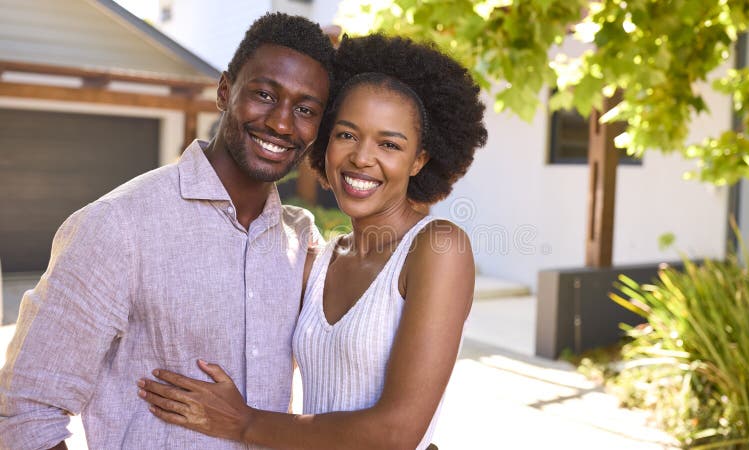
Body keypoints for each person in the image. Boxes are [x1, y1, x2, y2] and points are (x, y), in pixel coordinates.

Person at [0, 13, 335, 449]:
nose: (282, 123)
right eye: (265, 94)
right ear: (224, 91)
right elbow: (25, 411)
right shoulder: (118, 226)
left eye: (305, 109)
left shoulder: (301, 242)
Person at [137, 34, 488, 449]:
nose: (361, 157)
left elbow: (397, 432)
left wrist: (243, 423)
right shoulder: (319, 259)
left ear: (419, 160)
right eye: (346, 135)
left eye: (389, 144)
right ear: (325, 142)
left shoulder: (437, 248)